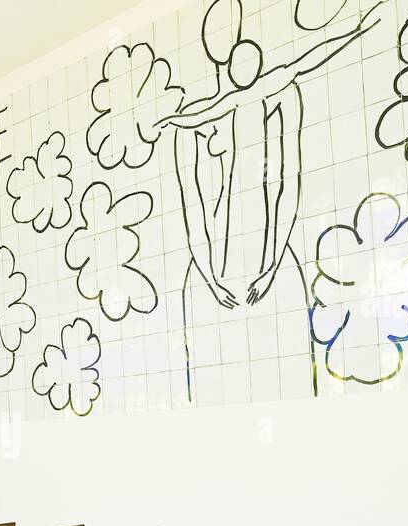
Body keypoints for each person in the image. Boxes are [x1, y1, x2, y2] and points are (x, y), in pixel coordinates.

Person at [159, 0, 381, 404]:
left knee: (286, 384)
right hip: (227, 277)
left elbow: (286, 179)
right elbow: (195, 203)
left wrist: (270, 264)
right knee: (217, 396)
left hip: (261, 273)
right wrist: (213, 275)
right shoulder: (203, 117)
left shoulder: (275, 93)